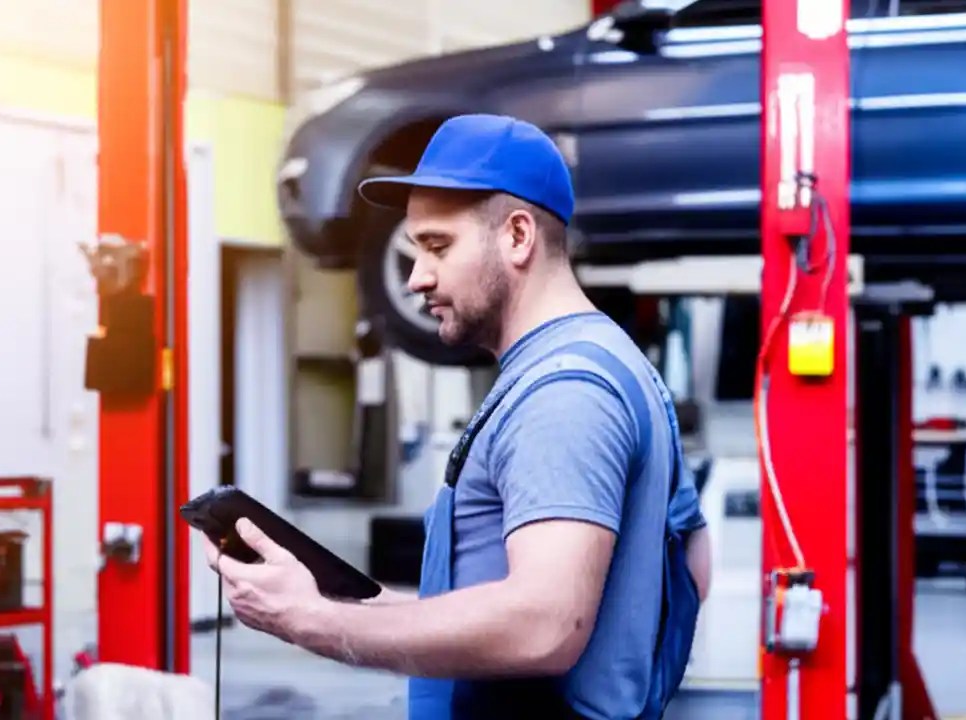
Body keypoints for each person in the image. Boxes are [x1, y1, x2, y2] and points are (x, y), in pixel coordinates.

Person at [202, 114, 712, 719]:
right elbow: (691, 565)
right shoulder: (611, 365)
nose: (416, 277)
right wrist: (339, 600)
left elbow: (543, 626)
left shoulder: (564, 394)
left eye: (438, 246)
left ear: (517, 237)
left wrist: (321, 624)